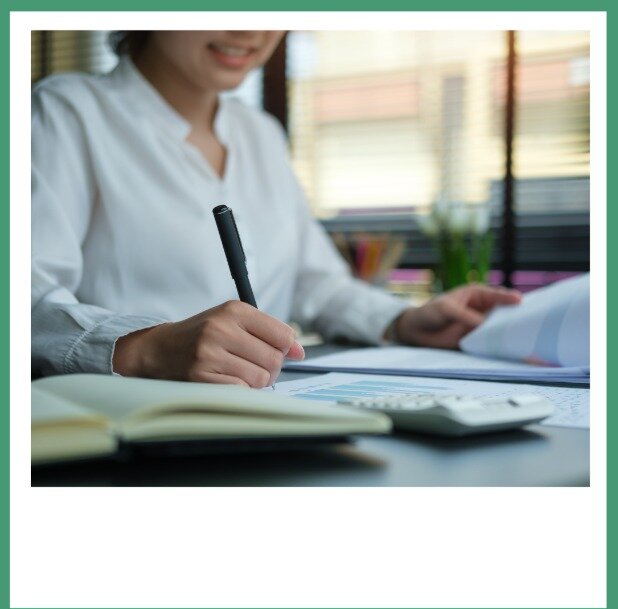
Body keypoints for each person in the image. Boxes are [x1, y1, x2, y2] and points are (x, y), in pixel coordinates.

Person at [31, 30, 521, 387]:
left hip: (271, 407)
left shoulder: (260, 133)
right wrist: (146, 346)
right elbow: (25, 298)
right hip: (132, 424)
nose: (251, 28)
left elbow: (316, 283)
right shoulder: (65, 112)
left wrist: (403, 321)